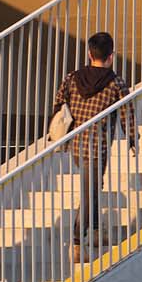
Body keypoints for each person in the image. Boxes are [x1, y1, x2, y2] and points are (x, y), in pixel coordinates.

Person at [52, 31, 135, 258]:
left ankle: (97, 230)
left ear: (89, 54)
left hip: (77, 145)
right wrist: (132, 138)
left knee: (93, 186)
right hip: (98, 146)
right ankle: (78, 241)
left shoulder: (72, 78)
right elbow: (128, 111)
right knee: (90, 191)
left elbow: (59, 104)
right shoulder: (115, 82)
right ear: (111, 56)